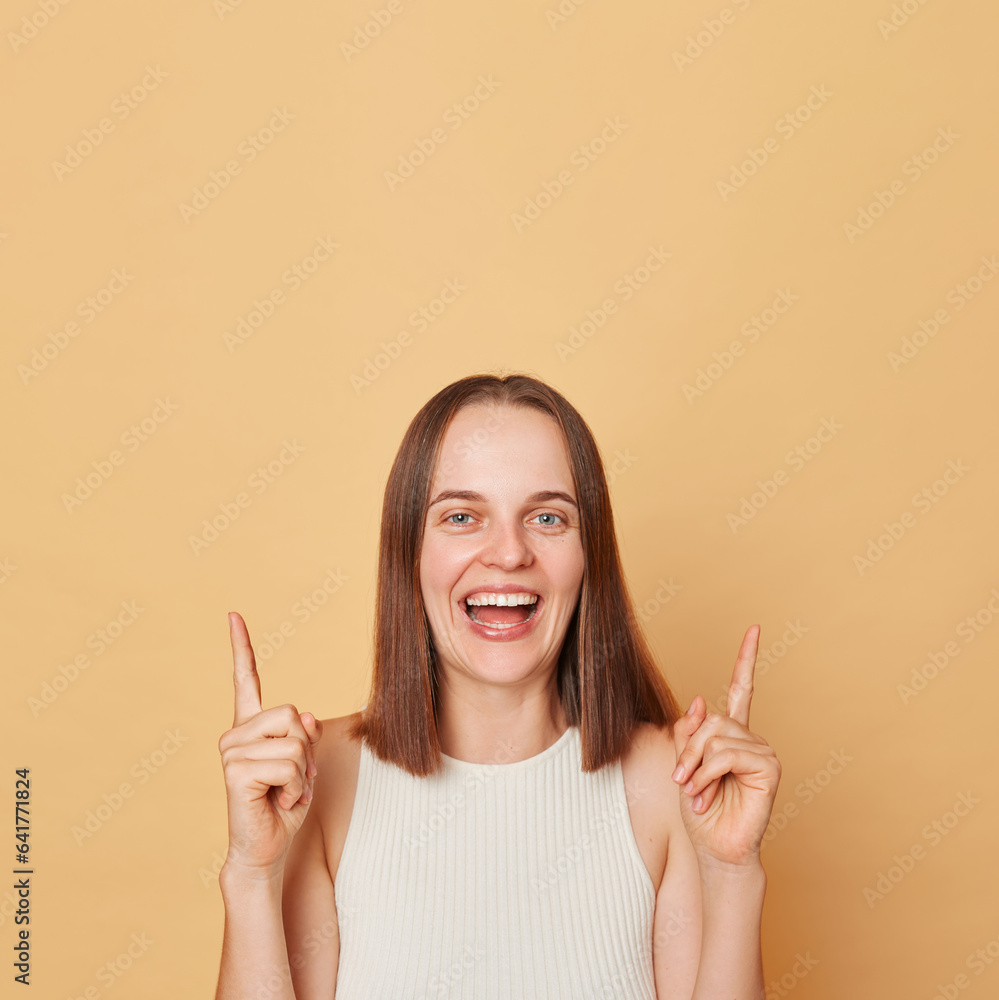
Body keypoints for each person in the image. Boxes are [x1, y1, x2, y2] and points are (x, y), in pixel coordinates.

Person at [214, 373, 781, 999]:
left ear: (589, 555)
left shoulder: (673, 782)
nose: (509, 553)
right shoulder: (315, 780)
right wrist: (251, 874)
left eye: (547, 517)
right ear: (409, 553)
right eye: (462, 516)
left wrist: (732, 874)